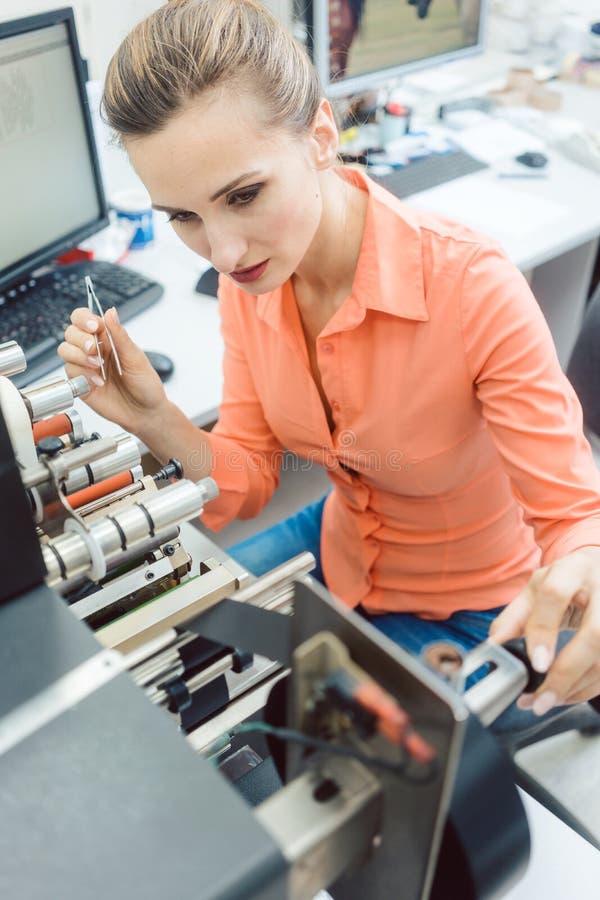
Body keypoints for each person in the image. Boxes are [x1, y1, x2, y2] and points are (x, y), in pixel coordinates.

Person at [59, 0, 600, 726]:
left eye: (244, 195)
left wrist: (588, 562)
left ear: (319, 135)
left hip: (471, 606)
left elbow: (574, 513)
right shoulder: (248, 279)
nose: (222, 251)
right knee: (159, 660)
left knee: (309, 749)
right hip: (342, 542)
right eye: (183, 216)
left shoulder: (472, 286)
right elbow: (248, 475)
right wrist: (159, 420)